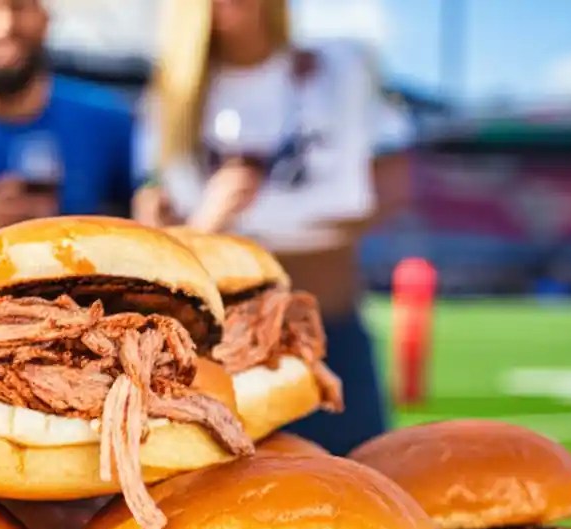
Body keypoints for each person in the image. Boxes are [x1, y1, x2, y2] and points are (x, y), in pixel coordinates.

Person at [135, 0, 413, 455]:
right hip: (215, 353)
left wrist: (249, 222)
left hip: (330, 333)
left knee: (361, 497)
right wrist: (209, 221)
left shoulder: (342, 68)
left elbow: (391, 189)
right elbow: (153, 226)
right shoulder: (170, 96)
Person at [0, 0, 135, 232]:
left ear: (46, 18)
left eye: (18, 7)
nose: (4, 26)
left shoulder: (108, 123)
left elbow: (140, 227)